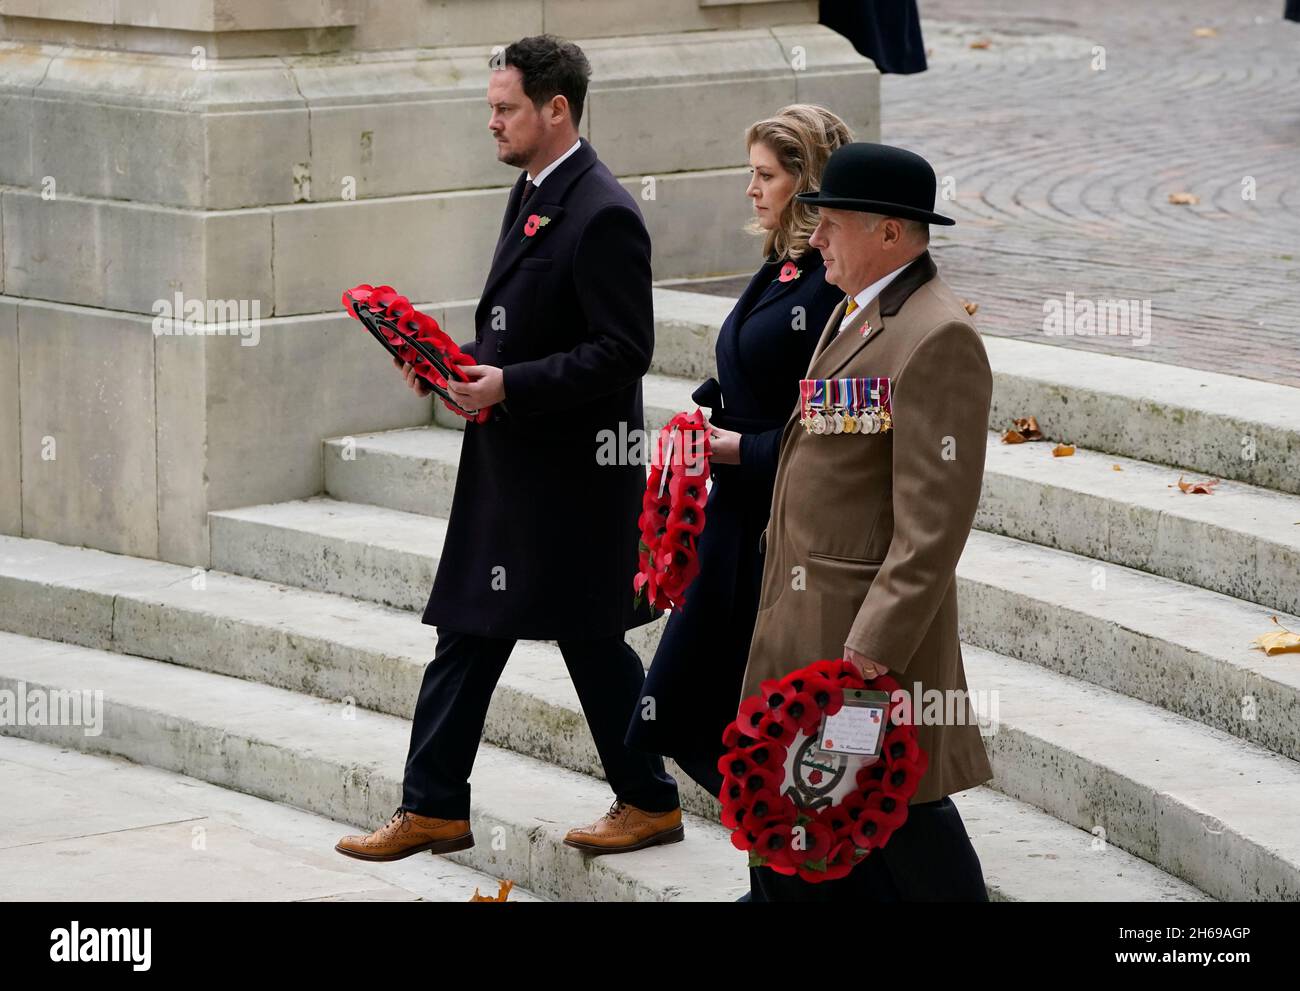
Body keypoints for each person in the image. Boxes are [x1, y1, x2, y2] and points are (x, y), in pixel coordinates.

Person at [336, 34, 682, 863]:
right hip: (518, 462)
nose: (490, 122)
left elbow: (624, 349)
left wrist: (509, 387)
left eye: (505, 108)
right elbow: (528, 327)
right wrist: (453, 370)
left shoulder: (602, 212)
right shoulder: (535, 187)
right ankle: (444, 806)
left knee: (572, 632)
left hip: (569, 478)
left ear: (556, 110)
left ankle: (635, 798)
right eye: (491, 106)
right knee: (487, 627)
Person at [741, 142, 994, 901]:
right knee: (820, 809)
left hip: (859, 641)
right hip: (804, 611)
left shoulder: (937, 335)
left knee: (900, 810)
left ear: (889, 232)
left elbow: (934, 524)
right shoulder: (861, 309)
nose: (813, 236)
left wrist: (871, 646)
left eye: (831, 223)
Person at [625, 106, 851, 798]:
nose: (750, 189)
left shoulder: (834, 288)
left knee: (743, 711)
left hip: (777, 519)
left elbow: (843, 429)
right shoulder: (784, 267)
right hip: (738, 511)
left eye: (764, 175)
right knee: (705, 700)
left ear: (805, 182)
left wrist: (743, 446)